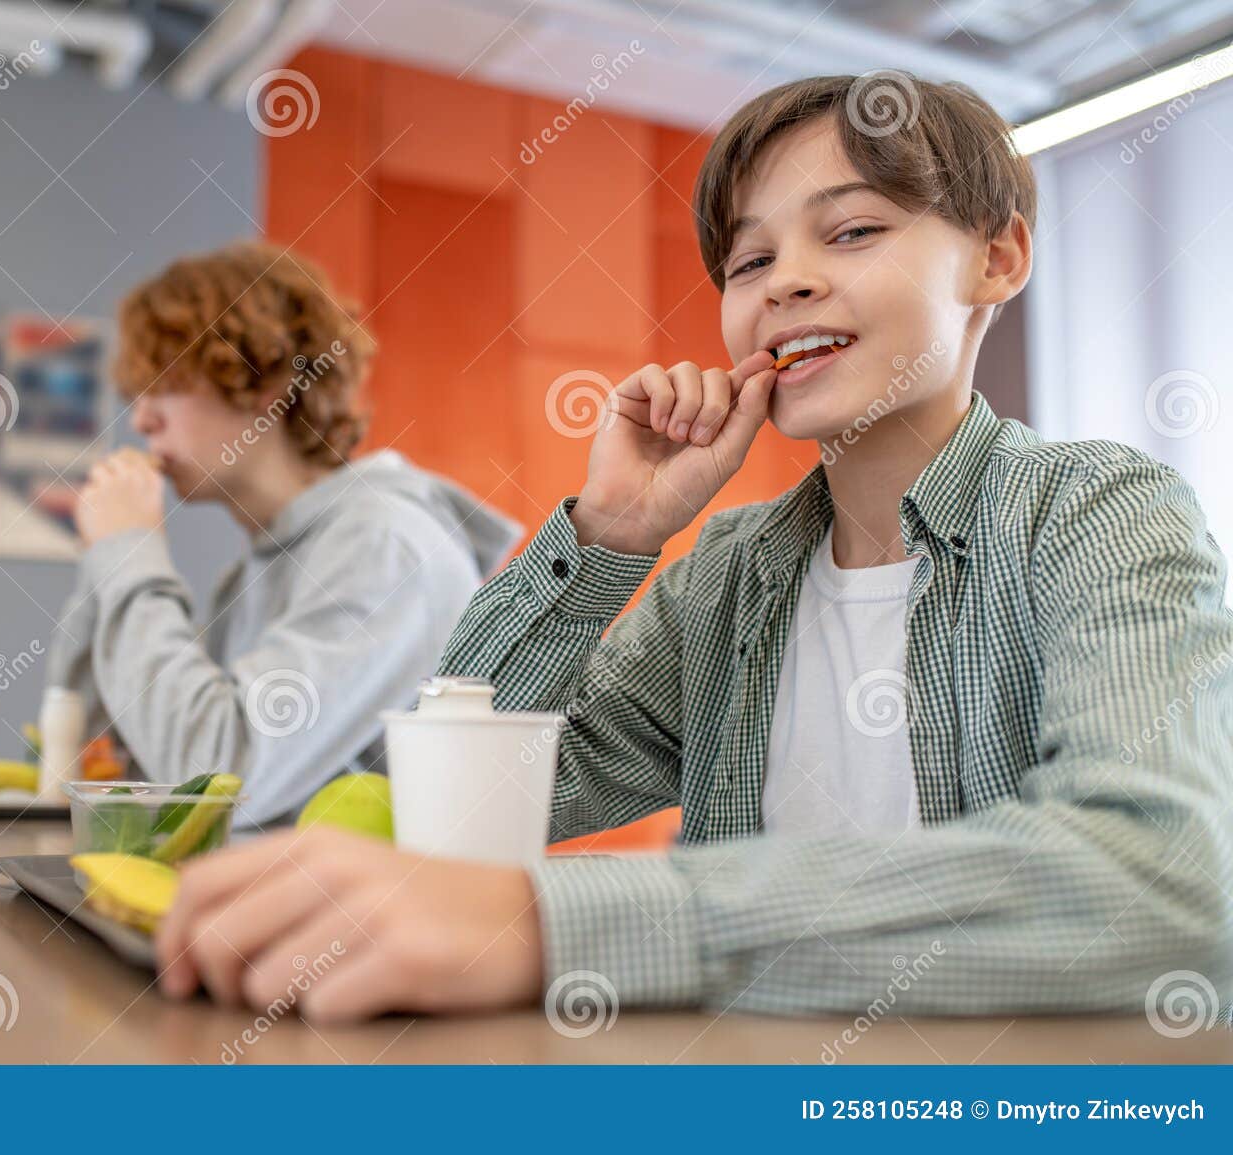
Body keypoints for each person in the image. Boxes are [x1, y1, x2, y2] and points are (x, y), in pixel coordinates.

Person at [151, 74, 1233, 1024]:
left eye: (850, 231)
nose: (784, 281)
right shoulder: (728, 574)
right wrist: (609, 536)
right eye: (748, 257)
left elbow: (1160, 880)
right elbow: (460, 799)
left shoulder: (1099, 513)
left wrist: (552, 925)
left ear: (996, 259)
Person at [47, 242, 520, 828]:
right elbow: (88, 754)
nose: (142, 421)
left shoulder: (385, 548)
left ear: (266, 378)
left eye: (164, 383)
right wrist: (106, 562)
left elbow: (216, 783)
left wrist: (129, 557)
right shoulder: (251, 574)